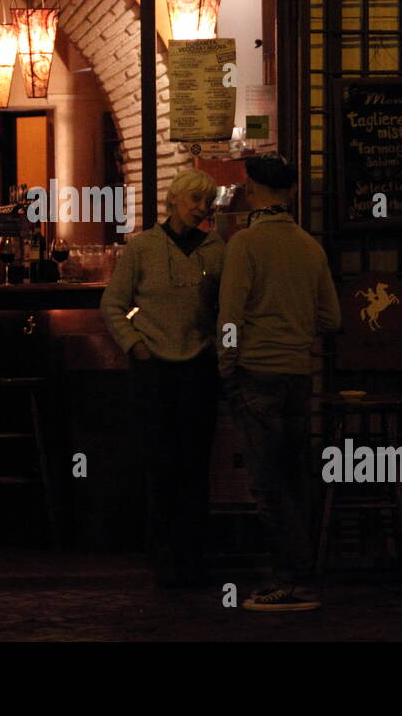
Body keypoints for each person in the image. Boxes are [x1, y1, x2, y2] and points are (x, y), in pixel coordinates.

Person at [216, 153, 340, 612]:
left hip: (256, 372)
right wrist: (295, 327)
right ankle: (303, 575)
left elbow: (230, 317)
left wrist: (227, 366)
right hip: (297, 374)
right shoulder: (309, 247)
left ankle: (291, 581)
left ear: (253, 189)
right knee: (294, 475)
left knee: (267, 484)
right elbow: (332, 317)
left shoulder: (245, 245)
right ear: (290, 192)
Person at [101, 167, 224, 587]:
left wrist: (218, 347)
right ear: (174, 200)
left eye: (207, 202)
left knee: (195, 465)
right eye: (195, 199)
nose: (202, 208)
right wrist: (135, 345)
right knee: (161, 463)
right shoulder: (144, 247)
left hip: (199, 367)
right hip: (154, 369)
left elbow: (225, 308)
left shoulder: (216, 250)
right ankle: (165, 557)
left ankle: (192, 556)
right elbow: (113, 304)